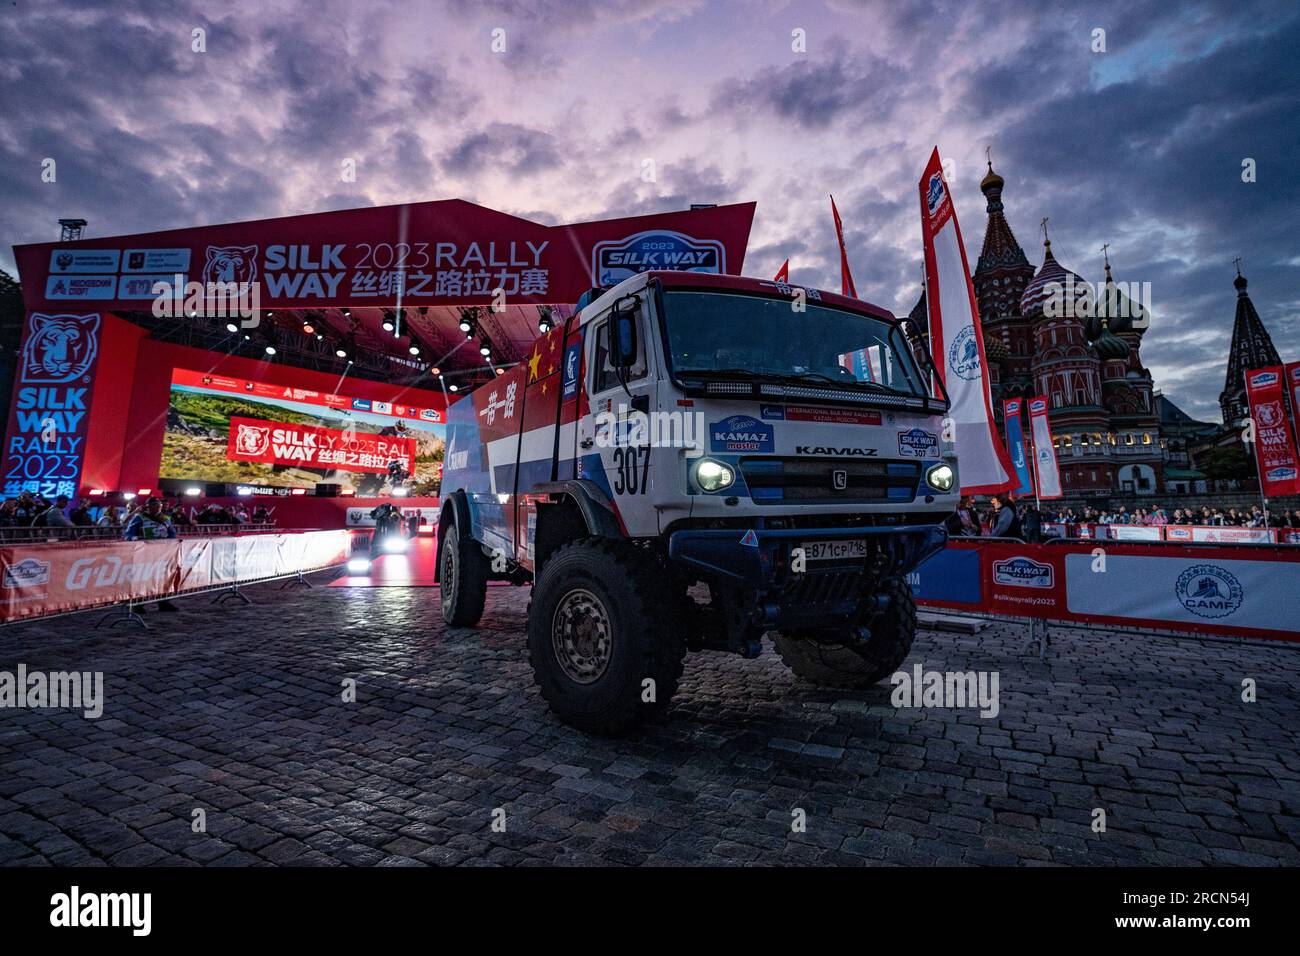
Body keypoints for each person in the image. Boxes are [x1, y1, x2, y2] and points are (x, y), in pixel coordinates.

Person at [122, 498, 179, 612]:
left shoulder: (166, 519)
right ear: (148, 507)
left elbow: (172, 534)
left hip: (162, 553)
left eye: (159, 505)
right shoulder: (139, 518)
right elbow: (128, 534)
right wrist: (135, 539)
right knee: (143, 578)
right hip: (145, 554)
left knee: (163, 578)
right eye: (154, 505)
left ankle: (163, 602)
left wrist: (171, 544)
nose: (158, 507)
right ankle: (138, 605)